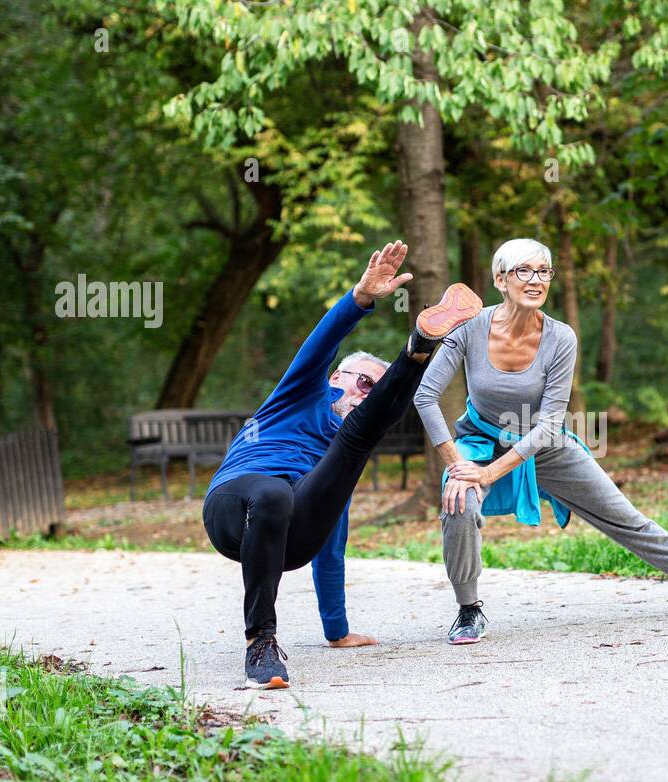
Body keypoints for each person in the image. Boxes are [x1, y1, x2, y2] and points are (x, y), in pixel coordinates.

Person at [413, 237, 668, 646]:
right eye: (523, 271)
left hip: (544, 443)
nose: (535, 281)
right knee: (458, 501)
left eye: (543, 272)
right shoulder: (469, 329)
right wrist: (457, 465)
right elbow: (425, 396)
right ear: (500, 279)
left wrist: (491, 474)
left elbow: (550, 421)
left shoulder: (560, 337)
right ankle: (468, 610)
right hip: (479, 440)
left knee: (622, 515)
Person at [202, 240, 482, 686]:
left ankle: (421, 345)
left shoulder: (343, 449)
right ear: (337, 378)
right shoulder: (303, 391)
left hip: (292, 536)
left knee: (358, 439)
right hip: (234, 506)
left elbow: (331, 549)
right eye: (365, 382)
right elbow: (321, 341)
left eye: (378, 387)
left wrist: (338, 631)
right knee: (273, 491)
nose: (366, 393)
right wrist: (361, 298)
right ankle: (261, 642)